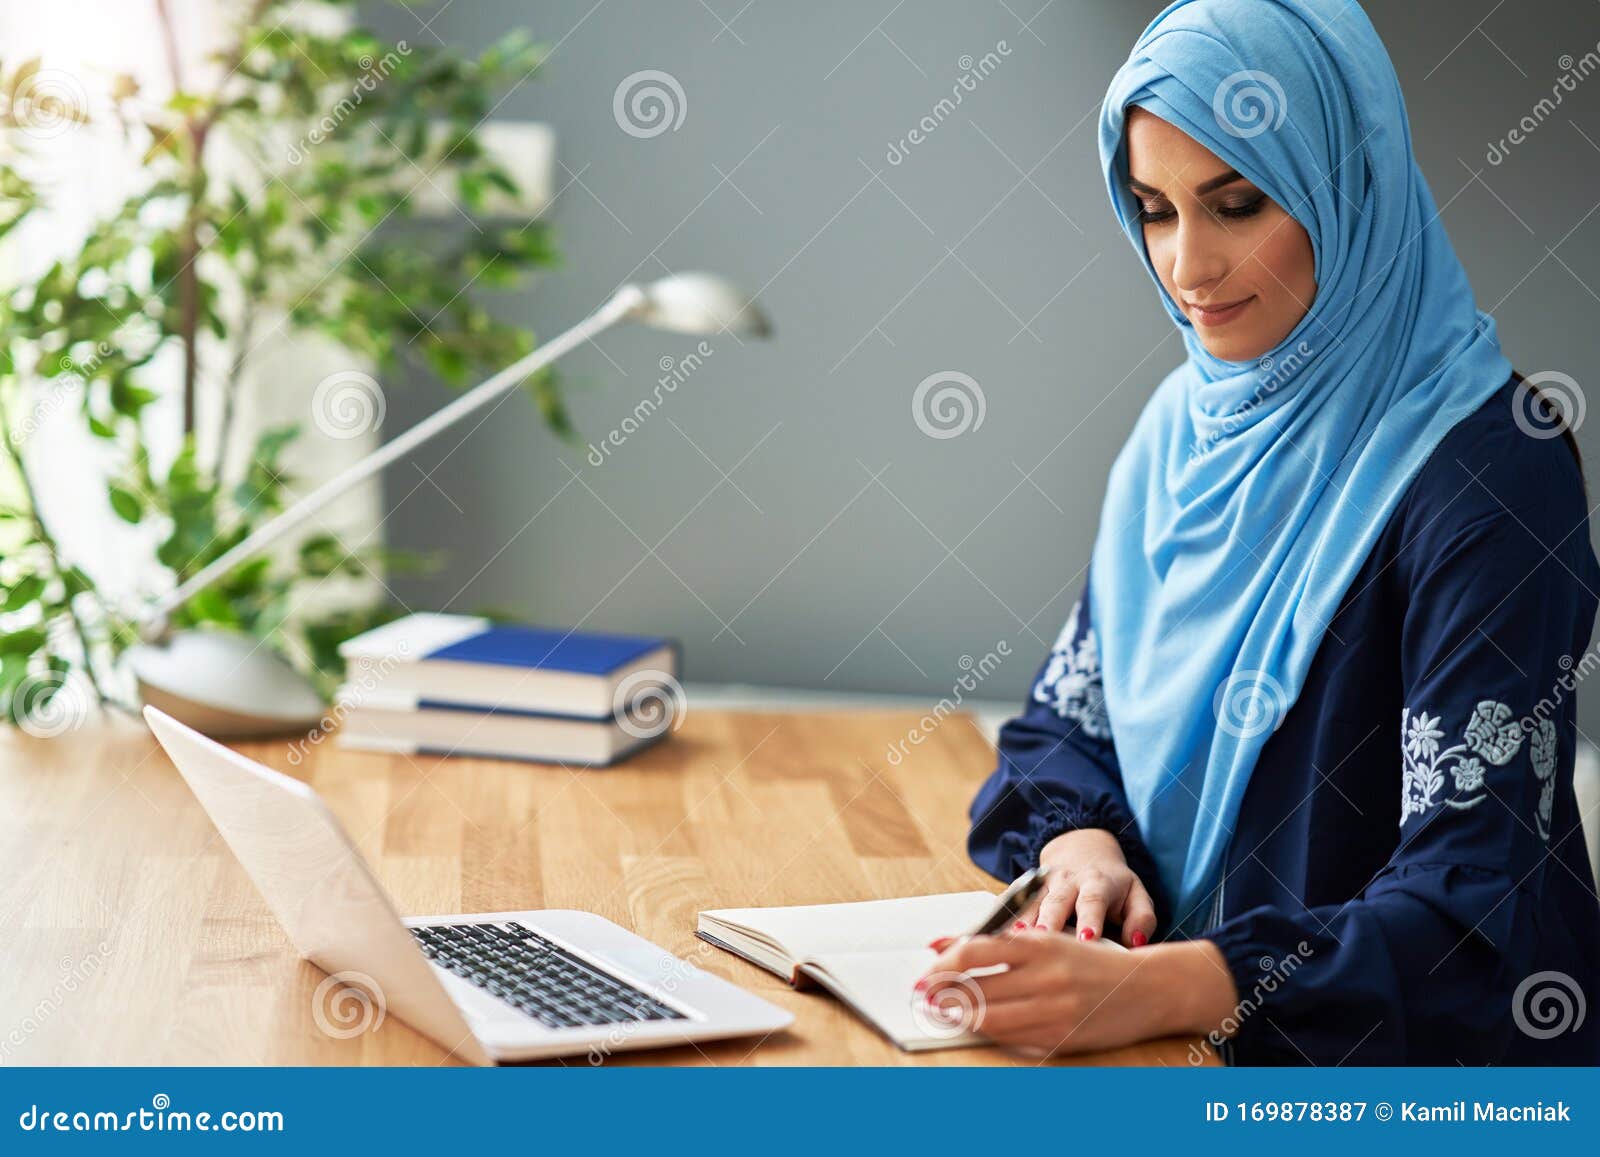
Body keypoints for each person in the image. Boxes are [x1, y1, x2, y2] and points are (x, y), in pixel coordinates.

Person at [915, 0, 1600, 1065]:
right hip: (1178, 1049)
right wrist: (1078, 842)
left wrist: (1169, 986)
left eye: (1236, 203)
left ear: (1349, 184)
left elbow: (1470, 903)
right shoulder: (1177, 434)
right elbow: (1065, 726)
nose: (1187, 267)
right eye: (1151, 208)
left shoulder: (1494, 475)